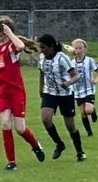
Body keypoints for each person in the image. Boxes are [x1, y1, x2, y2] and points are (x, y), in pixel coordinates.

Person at [0, 15, 46, 170]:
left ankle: (35, 145)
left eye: (1, 31)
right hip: (1, 92)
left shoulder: (12, 47)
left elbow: (19, 47)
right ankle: (11, 162)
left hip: (16, 92)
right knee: (5, 122)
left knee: (20, 128)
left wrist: (10, 33)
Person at [36, 33, 85, 162]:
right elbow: (41, 73)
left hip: (65, 94)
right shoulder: (42, 58)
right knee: (46, 119)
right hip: (50, 93)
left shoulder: (62, 58)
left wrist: (68, 83)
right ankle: (59, 144)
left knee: (70, 125)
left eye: (44, 47)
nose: (42, 50)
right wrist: (40, 89)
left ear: (51, 47)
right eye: (40, 47)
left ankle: (80, 152)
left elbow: (76, 75)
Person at [70, 38, 98, 137]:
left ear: (84, 49)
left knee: (88, 110)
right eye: (76, 48)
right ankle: (89, 133)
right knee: (83, 113)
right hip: (77, 91)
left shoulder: (89, 60)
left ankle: (93, 111)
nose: (78, 50)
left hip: (89, 89)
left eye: (80, 48)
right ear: (73, 50)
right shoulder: (71, 63)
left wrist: (95, 80)